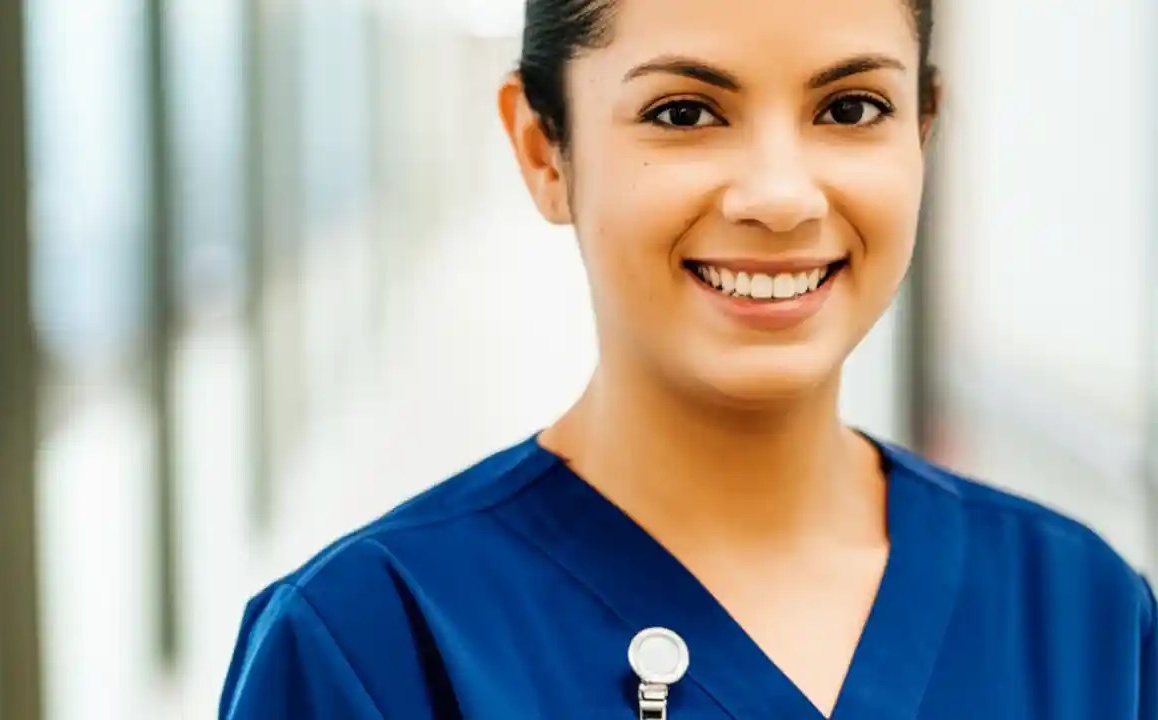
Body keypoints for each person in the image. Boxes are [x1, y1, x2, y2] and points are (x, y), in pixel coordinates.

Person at [220, 0, 1156, 717]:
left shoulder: (1083, 616)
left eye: (851, 107)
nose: (780, 198)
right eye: (683, 112)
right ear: (544, 151)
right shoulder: (376, 643)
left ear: (923, 130)